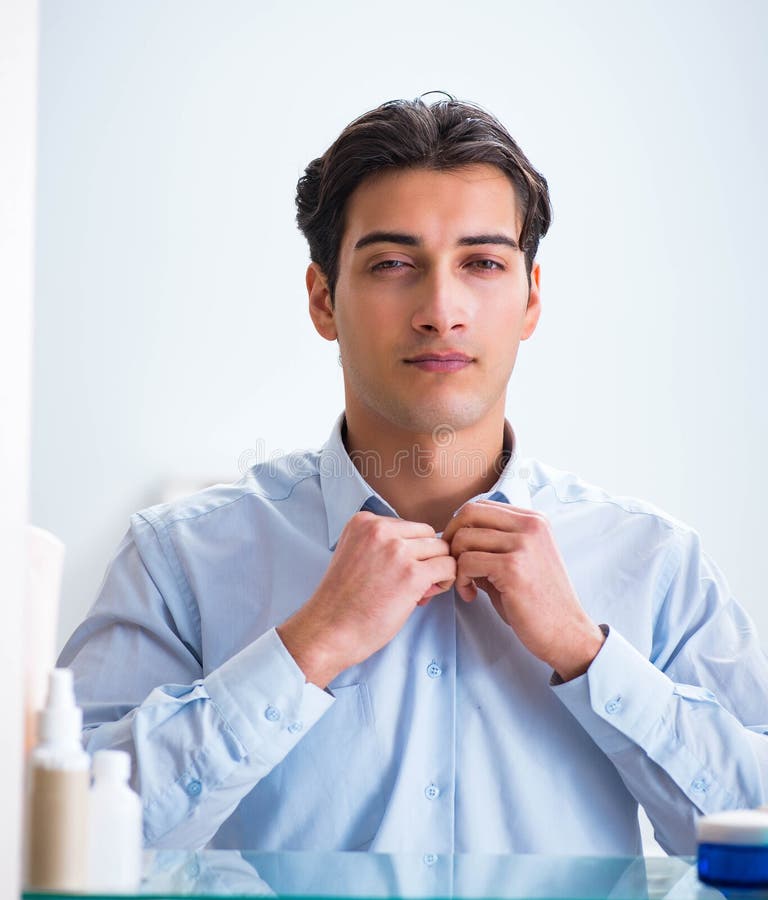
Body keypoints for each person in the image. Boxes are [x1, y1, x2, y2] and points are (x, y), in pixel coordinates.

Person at [59, 96, 768, 856]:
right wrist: (307, 649)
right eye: (394, 264)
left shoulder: (654, 562)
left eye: (484, 263)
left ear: (531, 299)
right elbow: (62, 837)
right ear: (323, 299)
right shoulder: (179, 562)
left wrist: (587, 655)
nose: (440, 308)